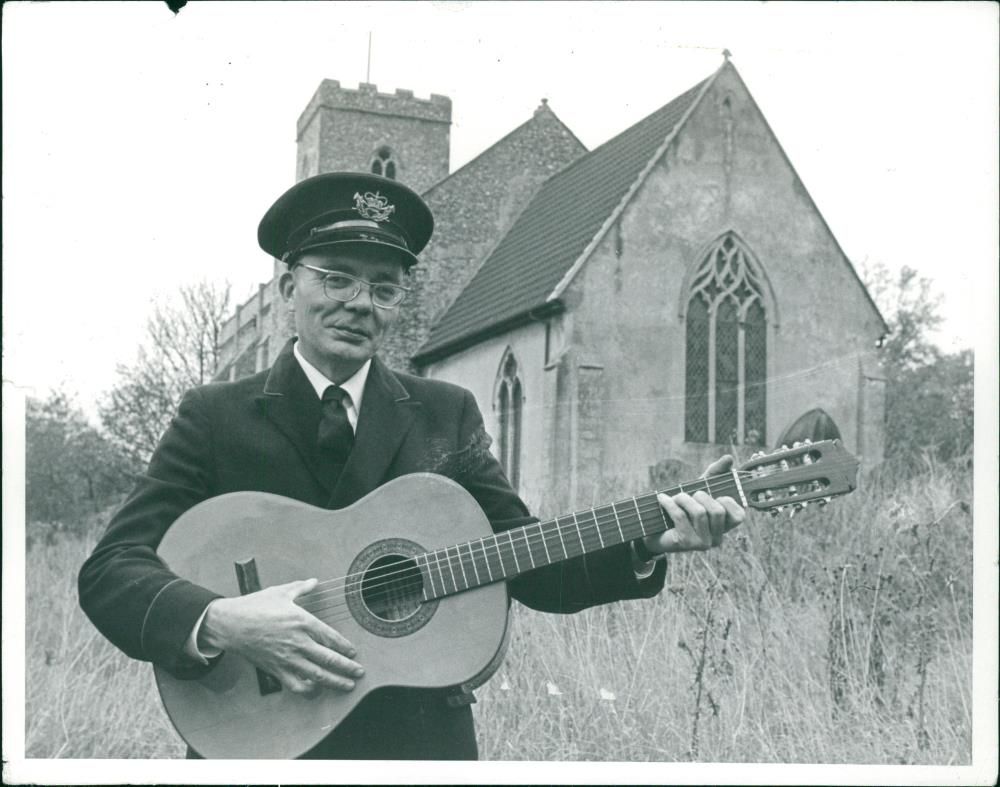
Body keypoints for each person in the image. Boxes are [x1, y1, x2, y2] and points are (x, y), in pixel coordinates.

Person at [78, 172, 745, 760]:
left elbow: (526, 561)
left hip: (417, 745)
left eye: (383, 287)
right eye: (335, 276)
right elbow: (110, 571)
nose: (359, 302)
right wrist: (223, 619)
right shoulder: (214, 416)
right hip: (257, 744)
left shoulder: (444, 413)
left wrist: (651, 538)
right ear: (289, 285)